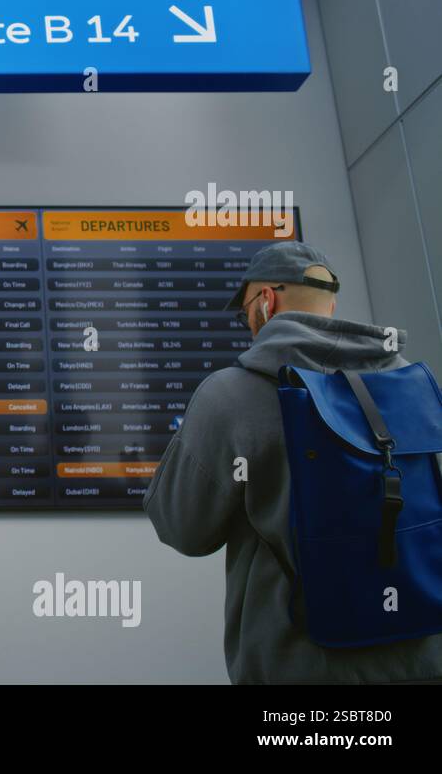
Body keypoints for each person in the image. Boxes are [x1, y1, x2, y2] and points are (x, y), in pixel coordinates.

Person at [143, 241, 442, 683]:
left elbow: (183, 528)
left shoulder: (231, 393)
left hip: (298, 665)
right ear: (332, 302)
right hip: (422, 654)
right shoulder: (411, 381)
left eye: (246, 308)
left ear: (265, 302)